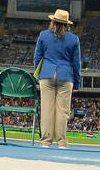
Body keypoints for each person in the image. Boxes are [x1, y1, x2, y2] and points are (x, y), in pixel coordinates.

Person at [34, 8, 82, 149]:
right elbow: (76, 63)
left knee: (47, 109)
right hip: (65, 76)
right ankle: (61, 142)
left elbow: (37, 58)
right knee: (62, 111)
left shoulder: (43, 35)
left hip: (47, 75)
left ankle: (45, 141)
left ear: (53, 21)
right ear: (67, 24)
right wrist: (77, 83)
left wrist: (38, 75)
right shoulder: (74, 39)